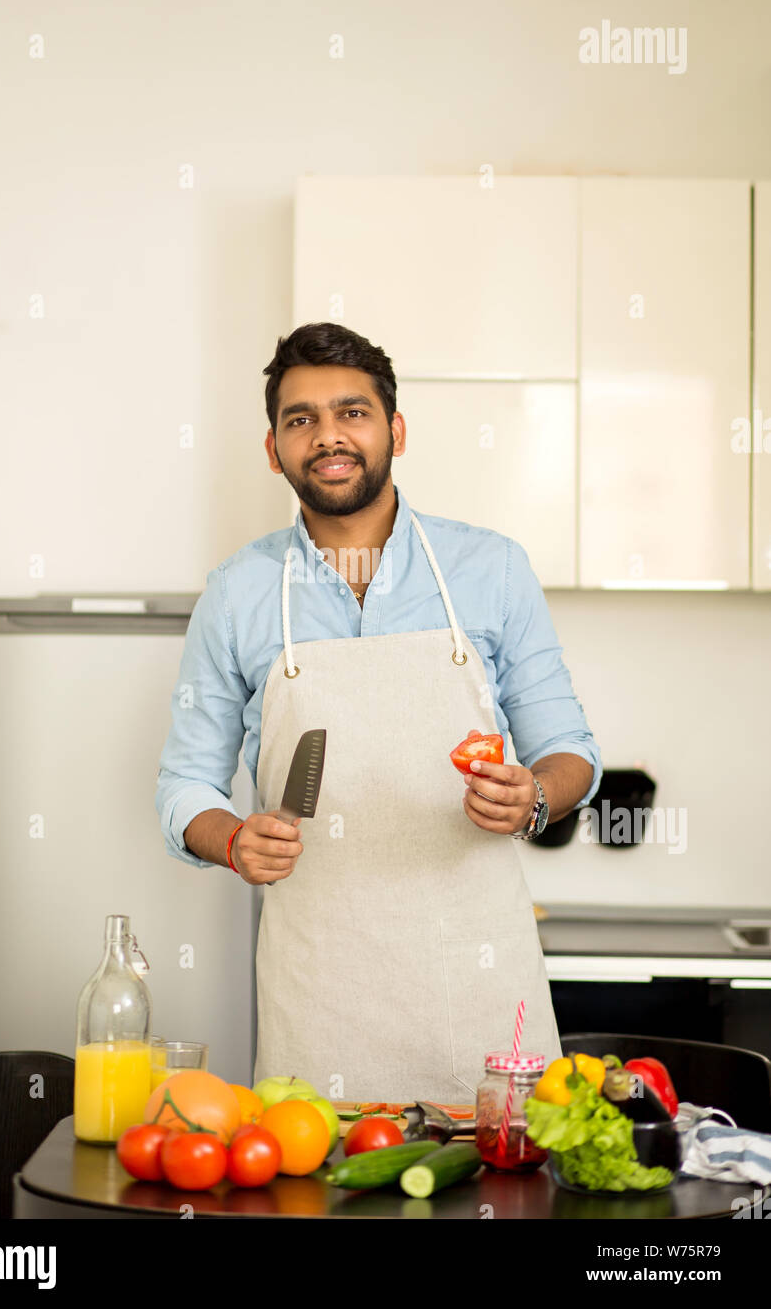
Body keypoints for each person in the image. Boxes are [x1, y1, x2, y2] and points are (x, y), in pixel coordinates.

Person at [156, 321, 602, 1103]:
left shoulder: (491, 568)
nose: (328, 437)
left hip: (479, 984)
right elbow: (184, 785)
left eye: (351, 412)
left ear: (394, 429)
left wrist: (533, 797)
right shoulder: (237, 593)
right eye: (301, 419)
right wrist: (231, 839)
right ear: (274, 449)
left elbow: (569, 751)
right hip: (319, 994)